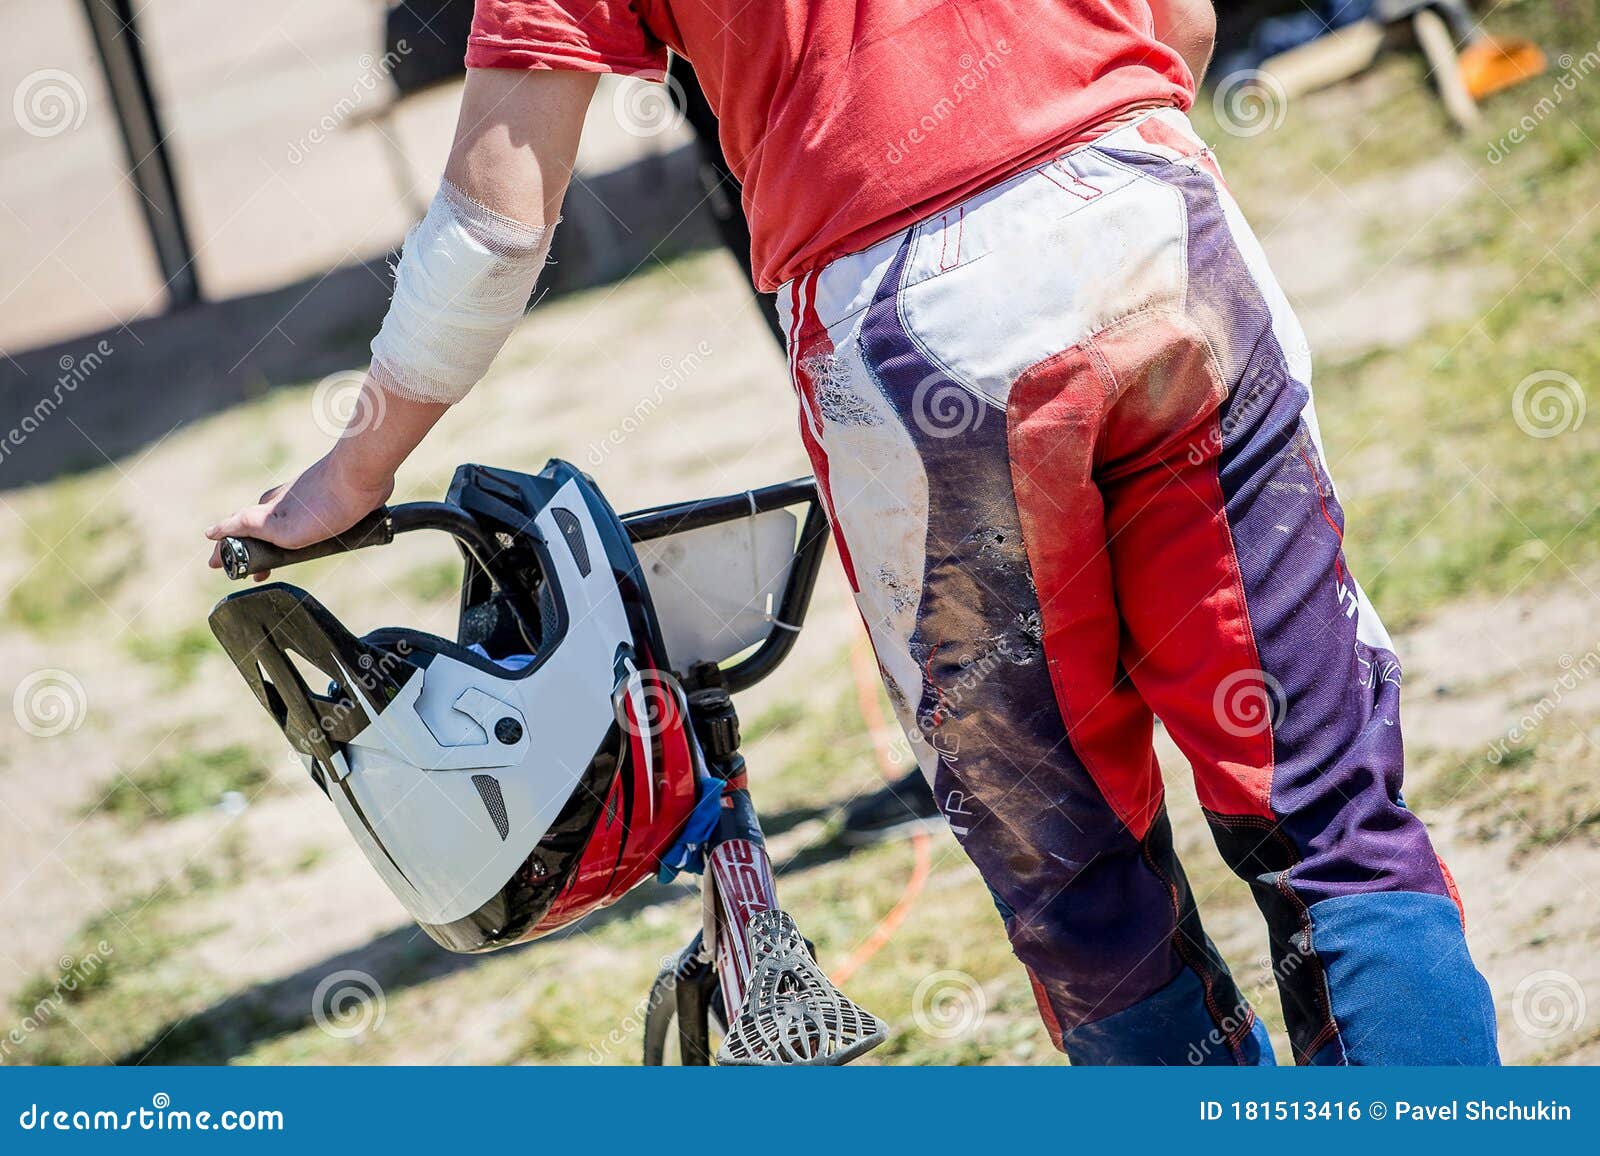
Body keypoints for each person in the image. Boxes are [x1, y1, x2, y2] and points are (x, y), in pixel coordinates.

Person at [206, 0, 1499, 1066]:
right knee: (1328, 819)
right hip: (1154, 225)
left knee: (1087, 892)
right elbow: (1192, 22)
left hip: (916, 329)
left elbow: (492, 228)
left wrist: (352, 466)